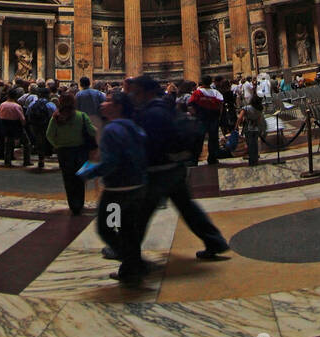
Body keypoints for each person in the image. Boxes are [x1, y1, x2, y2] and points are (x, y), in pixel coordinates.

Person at [131, 76, 229, 261]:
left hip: (159, 171)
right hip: (174, 168)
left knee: (141, 215)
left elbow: (151, 143)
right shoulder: (165, 107)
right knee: (189, 209)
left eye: (137, 92)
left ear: (147, 92)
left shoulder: (151, 113)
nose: (135, 96)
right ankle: (215, 242)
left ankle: (128, 257)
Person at [77, 90, 148, 287]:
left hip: (116, 192)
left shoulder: (110, 130)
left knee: (106, 228)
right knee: (127, 229)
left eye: (108, 101)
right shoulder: (134, 126)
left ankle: (133, 262)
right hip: (137, 186)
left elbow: (110, 163)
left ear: (118, 106)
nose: (102, 103)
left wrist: (86, 172)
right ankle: (130, 268)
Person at [46, 92, 97, 214]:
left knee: (68, 178)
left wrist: (57, 144)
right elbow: (92, 131)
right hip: (80, 151)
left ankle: (73, 205)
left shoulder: (56, 117)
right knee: (80, 178)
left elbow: (49, 135)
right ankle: (79, 203)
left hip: (63, 152)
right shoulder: (82, 116)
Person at [188, 76, 224, 165]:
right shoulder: (216, 93)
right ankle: (212, 158)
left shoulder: (197, 93)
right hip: (213, 119)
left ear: (202, 82)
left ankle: (194, 160)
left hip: (200, 119)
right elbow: (221, 105)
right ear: (210, 82)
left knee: (199, 139)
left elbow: (190, 105)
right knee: (213, 139)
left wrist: (194, 115)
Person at [0, 90, 31, 167]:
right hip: (16, 126)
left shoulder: (2, 105)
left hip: (6, 126)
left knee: (8, 144)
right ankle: (26, 161)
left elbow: (0, 115)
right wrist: (23, 125)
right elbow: (22, 119)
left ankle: (7, 161)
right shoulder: (17, 106)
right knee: (26, 143)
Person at [27, 84, 56, 170]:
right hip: (47, 125)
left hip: (35, 125)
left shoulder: (33, 103)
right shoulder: (50, 104)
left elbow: (28, 113)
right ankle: (47, 155)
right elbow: (54, 115)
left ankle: (40, 158)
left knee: (39, 141)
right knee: (46, 140)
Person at [239, 95, 266, 167]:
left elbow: (240, 117)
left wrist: (237, 126)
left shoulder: (247, 108)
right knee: (255, 143)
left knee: (250, 144)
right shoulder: (259, 109)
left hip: (248, 128)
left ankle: (251, 160)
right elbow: (259, 119)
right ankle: (255, 159)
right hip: (256, 128)